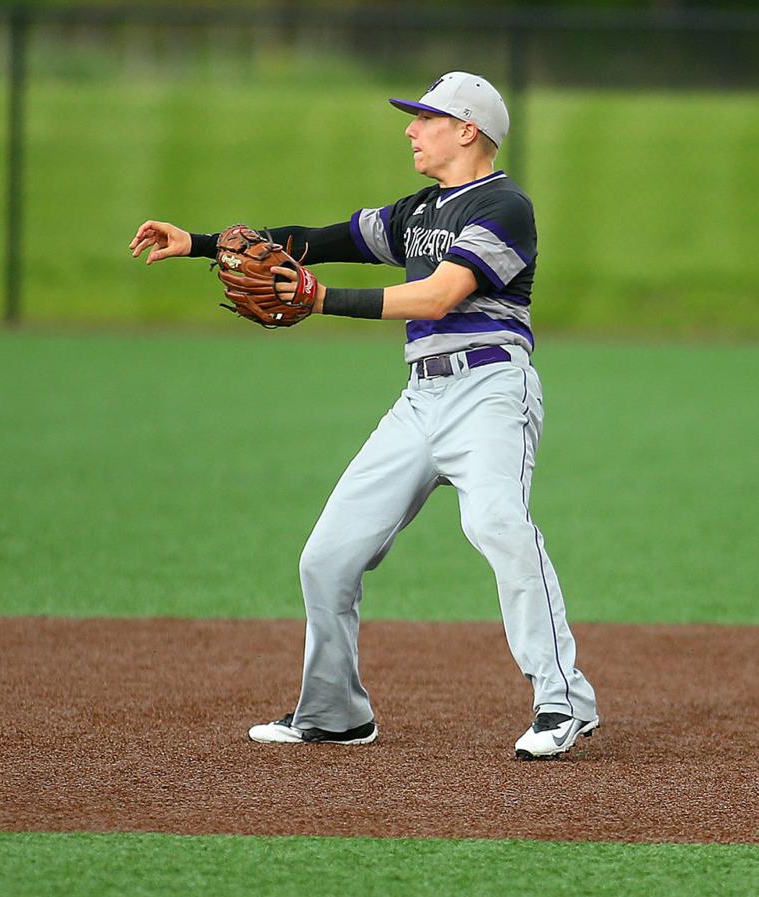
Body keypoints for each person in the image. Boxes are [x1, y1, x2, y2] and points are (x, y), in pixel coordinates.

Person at [128, 72, 598, 760]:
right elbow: (315, 239)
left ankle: (562, 701)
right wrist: (199, 242)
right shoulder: (416, 212)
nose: (411, 128)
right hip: (420, 399)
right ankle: (336, 712)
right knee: (326, 556)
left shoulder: (504, 206)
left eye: (425, 117)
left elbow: (439, 296)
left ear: (467, 129)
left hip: (491, 390)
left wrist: (321, 302)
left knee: (497, 524)